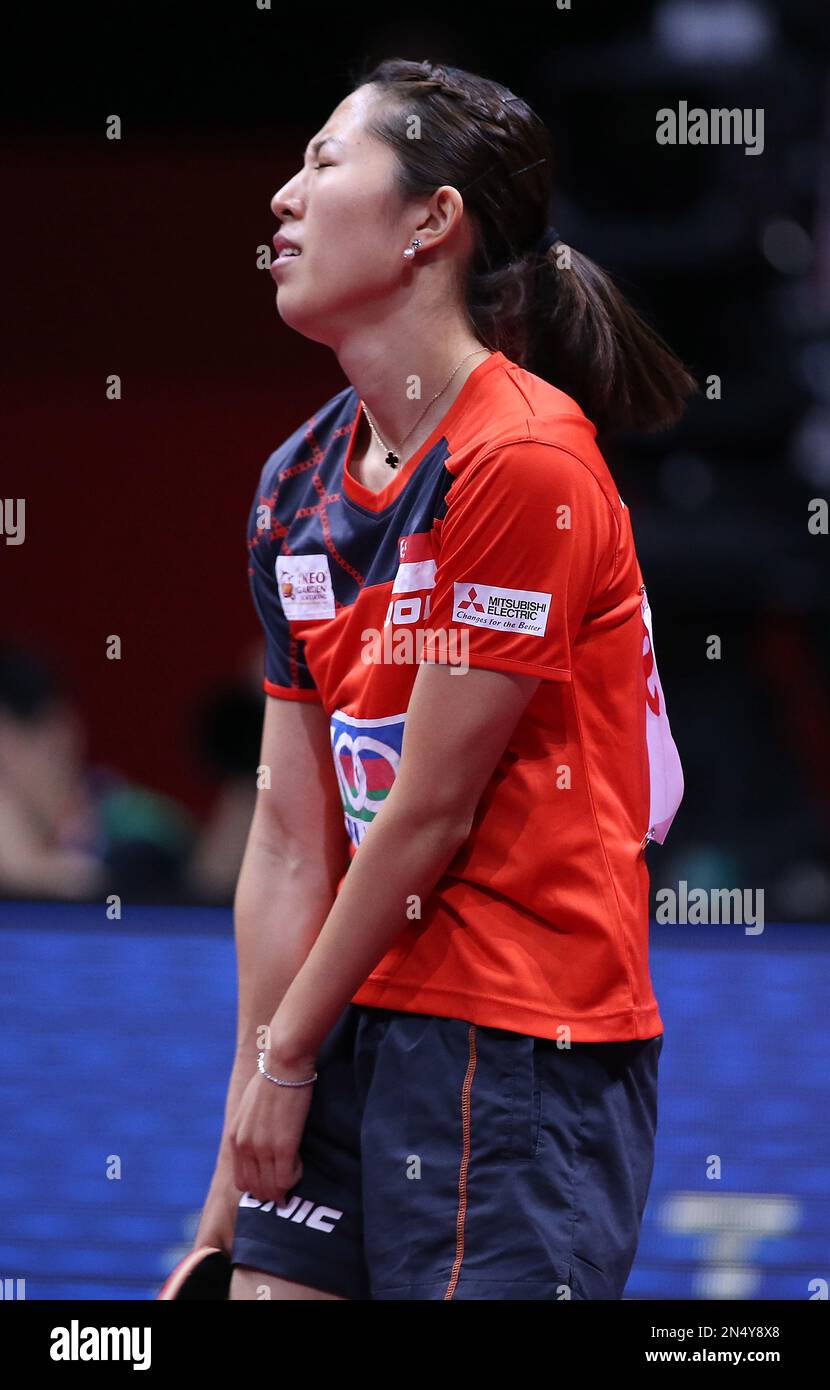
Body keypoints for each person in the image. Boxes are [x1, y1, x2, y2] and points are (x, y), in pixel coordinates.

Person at [193, 57, 693, 1301]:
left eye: (322, 162)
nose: (280, 199)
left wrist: (288, 1056)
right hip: (351, 1012)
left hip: (513, 1037)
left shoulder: (521, 463)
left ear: (432, 222)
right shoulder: (292, 489)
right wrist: (232, 1169)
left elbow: (425, 809)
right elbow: (289, 837)